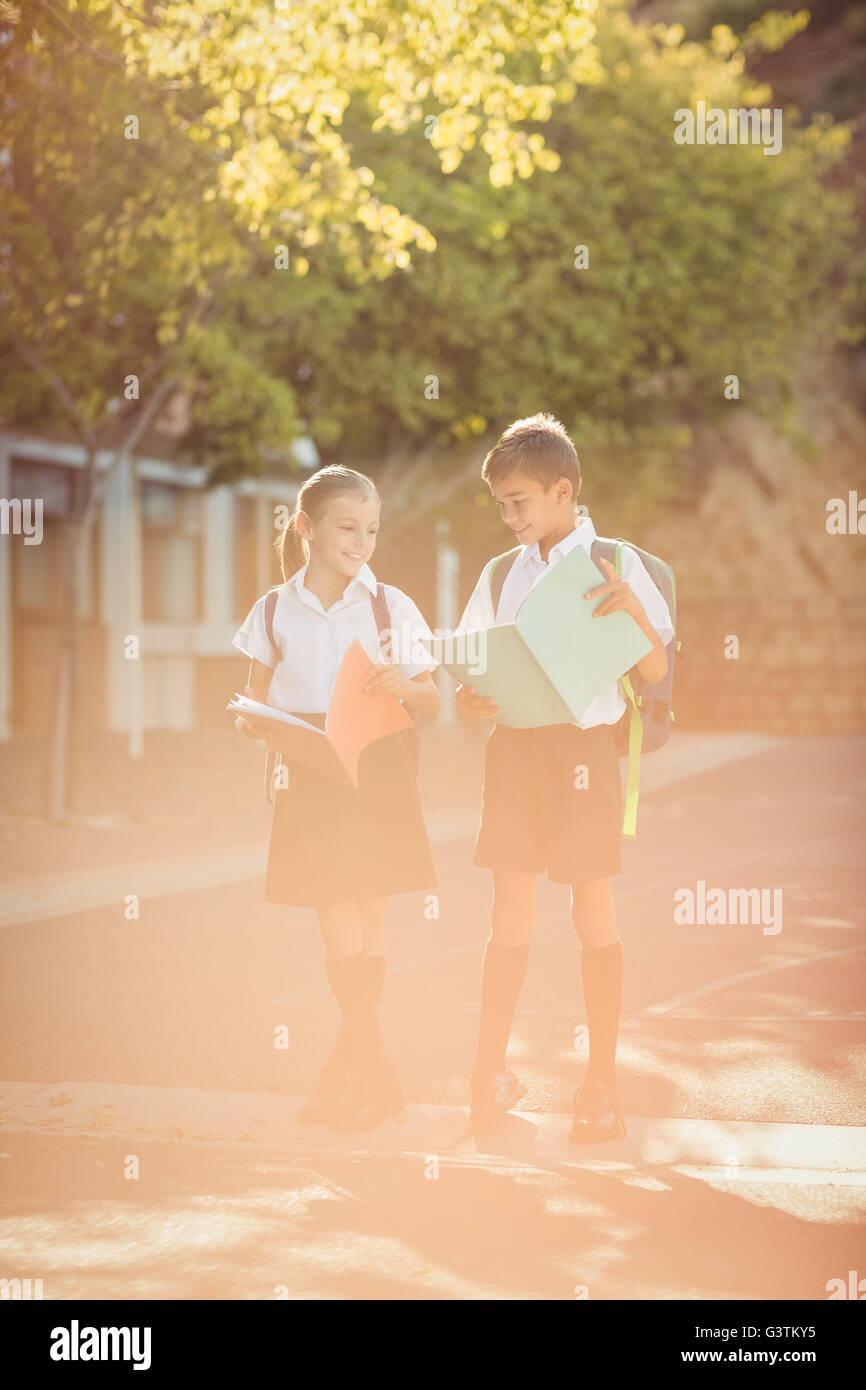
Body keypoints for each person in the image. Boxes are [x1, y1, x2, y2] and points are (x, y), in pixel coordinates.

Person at [456, 414, 674, 1141]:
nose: (509, 516)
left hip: (583, 756)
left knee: (592, 914)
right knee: (509, 916)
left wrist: (636, 613)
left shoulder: (614, 560)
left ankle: (599, 1089)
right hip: (515, 751)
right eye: (500, 504)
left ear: (563, 490)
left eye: (519, 500)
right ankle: (489, 1079)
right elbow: (475, 667)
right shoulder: (498, 573)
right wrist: (468, 697)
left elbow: (656, 670)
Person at [233, 465, 440, 1130]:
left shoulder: (391, 606)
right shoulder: (272, 609)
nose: (361, 541)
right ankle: (373, 1069)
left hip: (374, 767)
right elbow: (253, 700)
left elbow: (433, 703)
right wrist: (252, 720)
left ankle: (350, 1073)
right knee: (335, 917)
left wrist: (399, 686)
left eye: (371, 529)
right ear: (306, 526)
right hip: (309, 772)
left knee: (368, 920)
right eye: (347, 527)